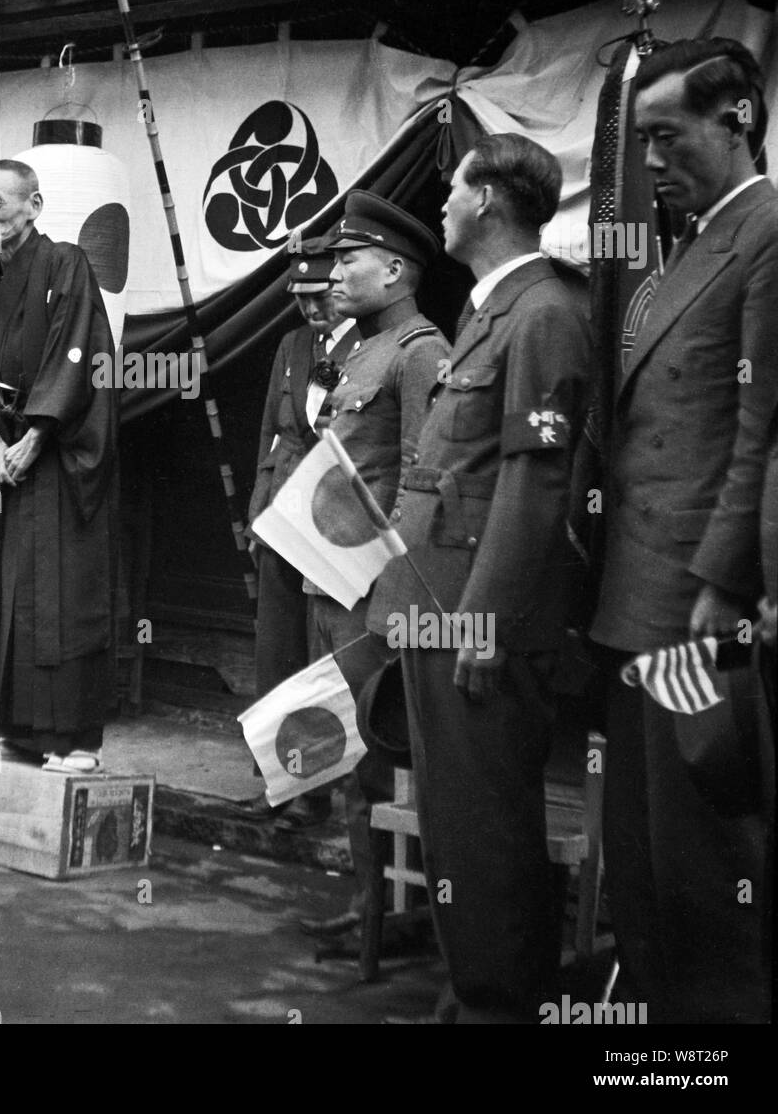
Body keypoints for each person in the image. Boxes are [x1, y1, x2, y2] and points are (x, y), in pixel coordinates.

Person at [367, 132, 591, 1023]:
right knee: (460, 822)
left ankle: (500, 1005)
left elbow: (535, 479)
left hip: (472, 621)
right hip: (439, 608)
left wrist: (482, 622)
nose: (445, 206)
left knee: (485, 826)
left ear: (489, 201)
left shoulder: (541, 312)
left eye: (454, 189)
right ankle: (478, 996)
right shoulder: (495, 308)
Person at [589, 38, 777, 1023]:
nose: (649, 159)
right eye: (641, 138)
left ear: (736, 115)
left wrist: (719, 586)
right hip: (631, 604)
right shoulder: (677, 253)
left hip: (694, 611)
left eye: (666, 136)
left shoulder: (767, 234)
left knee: (706, 877)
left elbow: (761, 428)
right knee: (644, 869)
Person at [297, 192, 448, 941]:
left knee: (384, 749)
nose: (335, 272)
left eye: (348, 259)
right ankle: (368, 906)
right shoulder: (359, 349)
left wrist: (395, 593)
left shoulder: (421, 351)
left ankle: (407, 914)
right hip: (326, 579)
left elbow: (427, 477)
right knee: (349, 753)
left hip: (374, 594)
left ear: (394, 269)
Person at [0, 160, 118, 774]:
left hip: (61, 460)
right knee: (10, 597)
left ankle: (77, 741)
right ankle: (13, 731)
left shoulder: (67, 265)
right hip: (8, 463)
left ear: (34, 206)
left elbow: (81, 352)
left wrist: (38, 434)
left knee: (64, 601)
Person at [246, 241, 361, 829]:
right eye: (302, 299)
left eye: (321, 297)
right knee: (278, 653)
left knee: (324, 659)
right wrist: (258, 512)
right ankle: (280, 783)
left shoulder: (370, 347)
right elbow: (272, 433)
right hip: (283, 516)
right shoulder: (294, 347)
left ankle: (320, 790)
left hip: (335, 521)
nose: (313, 309)